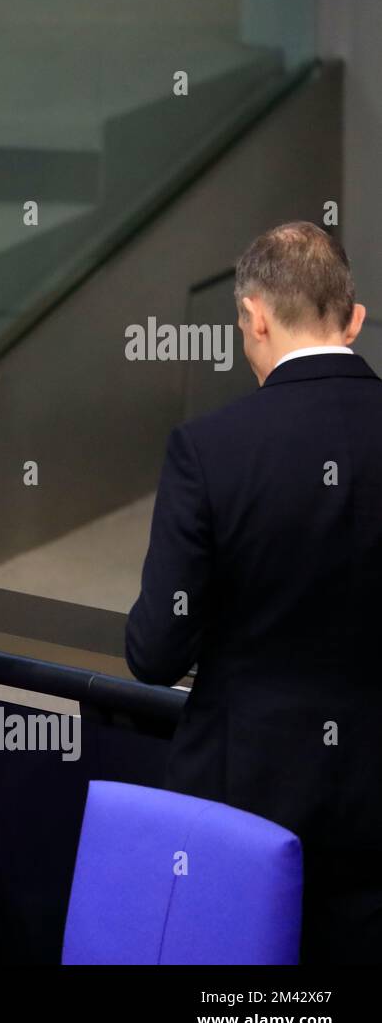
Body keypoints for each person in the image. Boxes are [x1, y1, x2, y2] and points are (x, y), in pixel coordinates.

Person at [126, 221, 382, 964]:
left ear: (255, 318)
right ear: (355, 319)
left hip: (245, 801)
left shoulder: (208, 449)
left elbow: (153, 651)